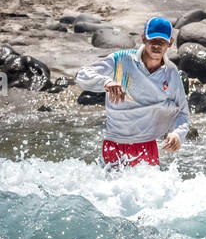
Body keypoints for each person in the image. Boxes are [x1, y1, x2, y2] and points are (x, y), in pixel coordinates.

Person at [75, 15, 189, 167]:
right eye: (152, 41)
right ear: (143, 39)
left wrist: (176, 134)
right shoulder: (121, 59)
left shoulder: (171, 72)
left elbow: (182, 112)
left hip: (147, 145)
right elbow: (82, 75)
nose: (157, 46)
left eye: (162, 42)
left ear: (170, 43)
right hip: (114, 143)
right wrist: (106, 82)